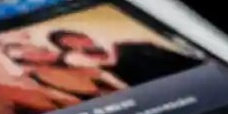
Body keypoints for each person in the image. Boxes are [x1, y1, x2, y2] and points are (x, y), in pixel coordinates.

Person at [48, 29, 200, 86]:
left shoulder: (98, 44)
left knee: (141, 47)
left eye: (74, 38)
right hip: (124, 72)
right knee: (130, 53)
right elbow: (109, 63)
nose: (75, 42)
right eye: (68, 42)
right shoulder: (72, 56)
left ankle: (188, 63)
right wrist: (112, 47)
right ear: (64, 46)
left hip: (137, 62)